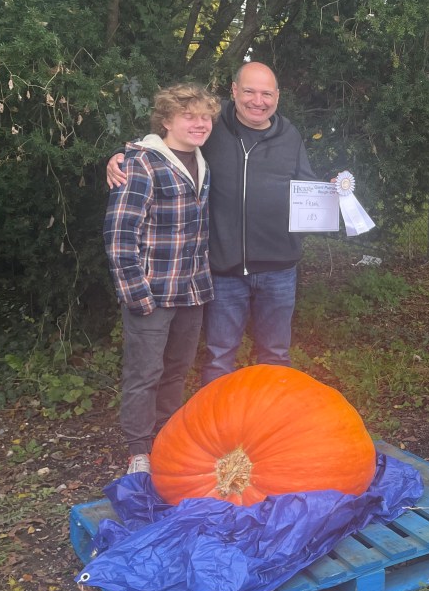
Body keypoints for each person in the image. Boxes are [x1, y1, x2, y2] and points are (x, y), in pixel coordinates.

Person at [107, 62, 316, 384]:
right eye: (249, 91)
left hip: (279, 269)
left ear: (278, 96)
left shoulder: (290, 135)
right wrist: (123, 156)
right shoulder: (211, 126)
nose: (257, 101)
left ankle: (271, 429)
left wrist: (333, 195)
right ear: (234, 91)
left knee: (275, 356)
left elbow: (307, 185)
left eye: (266, 93)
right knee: (220, 356)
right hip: (223, 269)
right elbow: (166, 143)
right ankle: (216, 431)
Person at [105, 83, 221, 475]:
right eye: (189, 116)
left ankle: (168, 437)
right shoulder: (143, 163)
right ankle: (139, 450)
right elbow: (120, 234)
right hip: (151, 294)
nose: (199, 123)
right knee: (144, 373)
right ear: (167, 120)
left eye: (205, 116)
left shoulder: (202, 162)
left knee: (175, 370)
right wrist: (136, 294)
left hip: (191, 291)